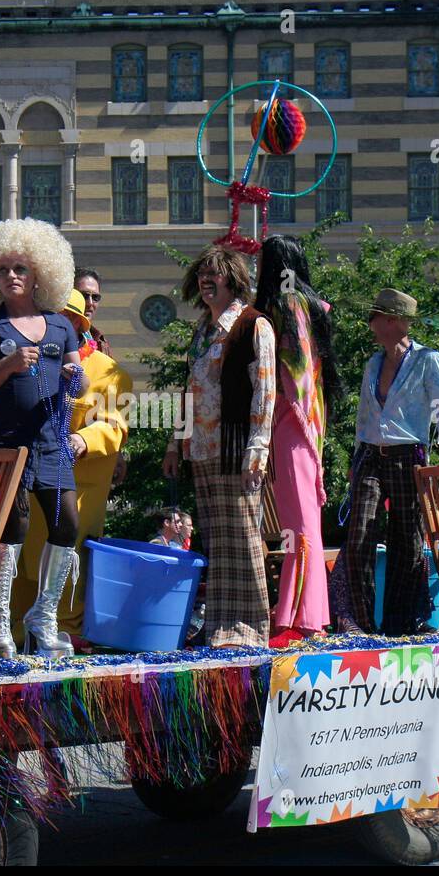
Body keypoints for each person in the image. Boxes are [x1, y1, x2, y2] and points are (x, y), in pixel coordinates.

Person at [0, 218, 85, 659]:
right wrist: (8, 366)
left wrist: (75, 377)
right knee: (12, 529)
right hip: (9, 447)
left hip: (54, 442)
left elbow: (79, 386)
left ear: (40, 275)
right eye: (4, 269)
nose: (11, 276)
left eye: (21, 269)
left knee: (67, 524)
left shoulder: (60, 326)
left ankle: (42, 617)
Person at [163, 245, 276, 647]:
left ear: (233, 278)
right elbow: (187, 392)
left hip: (236, 448)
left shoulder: (252, 325)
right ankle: (221, 627)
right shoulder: (202, 331)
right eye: (201, 275)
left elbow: (265, 391)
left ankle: (250, 628)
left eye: (215, 274)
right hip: (202, 448)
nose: (206, 281)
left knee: (244, 537)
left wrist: (257, 450)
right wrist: (175, 445)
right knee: (216, 539)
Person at [334, 288, 439, 636]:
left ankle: (400, 623)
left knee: (406, 539)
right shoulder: (373, 364)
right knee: (360, 533)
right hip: (370, 454)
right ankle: (359, 623)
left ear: (393, 321)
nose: (371, 324)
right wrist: (356, 454)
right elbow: (365, 415)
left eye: (376, 317)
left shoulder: (427, 361)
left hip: (409, 455)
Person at [11, 287, 132, 646]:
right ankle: (18, 634)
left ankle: (67, 633)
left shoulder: (110, 373)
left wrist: (83, 439)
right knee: (22, 563)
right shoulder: (31, 366)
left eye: (66, 319)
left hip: (79, 490)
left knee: (66, 560)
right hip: (32, 482)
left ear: (80, 325)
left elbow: (115, 425)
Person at [254, 234, 343, 647]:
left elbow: (294, 375)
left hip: (292, 426)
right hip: (305, 427)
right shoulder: (305, 305)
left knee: (301, 527)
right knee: (303, 526)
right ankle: (301, 614)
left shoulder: (286, 306)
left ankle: (302, 618)